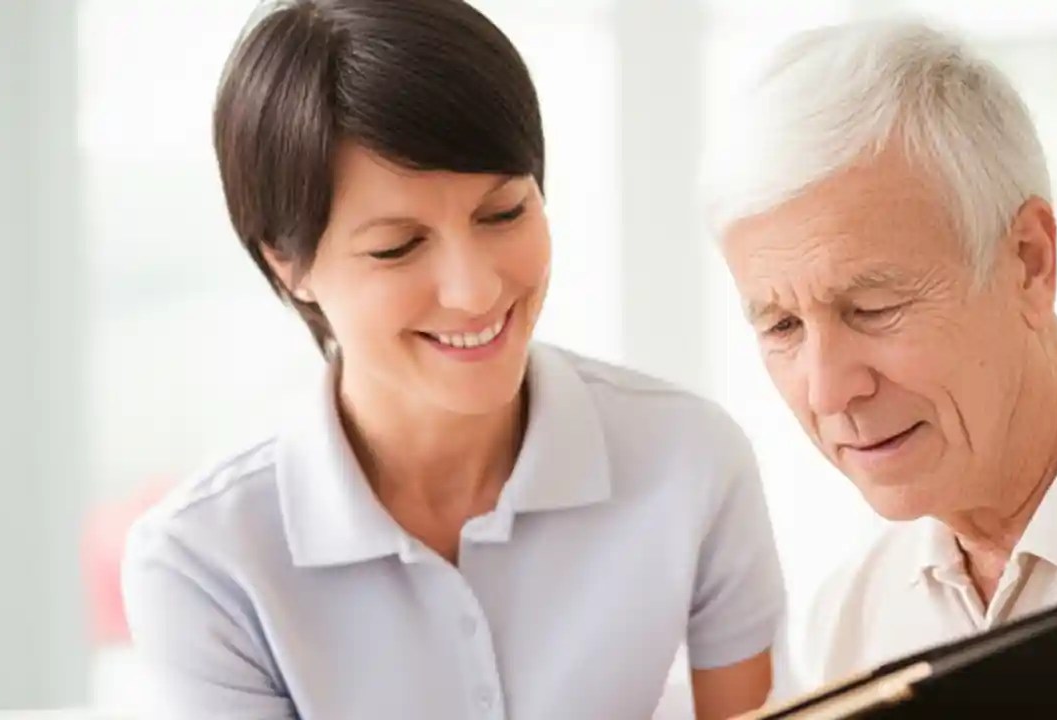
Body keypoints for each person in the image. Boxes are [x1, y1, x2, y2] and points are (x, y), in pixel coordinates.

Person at [121, 2, 784, 718]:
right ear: (288, 266)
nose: (475, 292)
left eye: (503, 214)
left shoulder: (690, 460)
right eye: (397, 247)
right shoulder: (204, 563)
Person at [703, 19, 1057, 719]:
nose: (827, 390)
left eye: (874, 307)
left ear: (1029, 261)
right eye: (781, 326)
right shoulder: (856, 611)